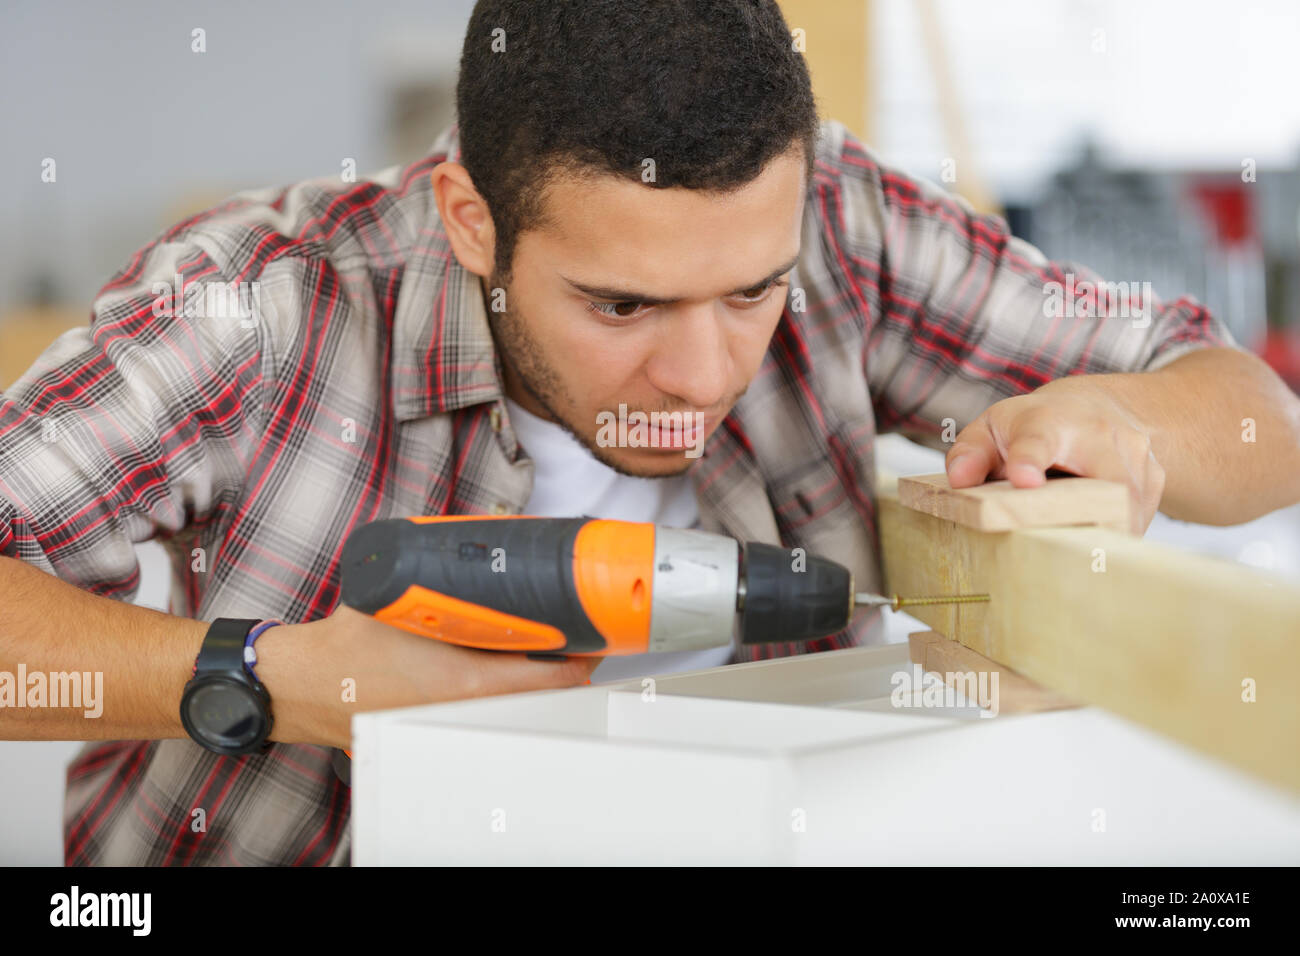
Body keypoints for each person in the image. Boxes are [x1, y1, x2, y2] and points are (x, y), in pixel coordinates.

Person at [2, 0, 1297, 866]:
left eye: (750, 294)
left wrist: (1133, 423)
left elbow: (1261, 422)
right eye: (620, 303)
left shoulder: (847, 222)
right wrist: (278, 680)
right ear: (471, 221)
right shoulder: (266, 302)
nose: (699, 373)